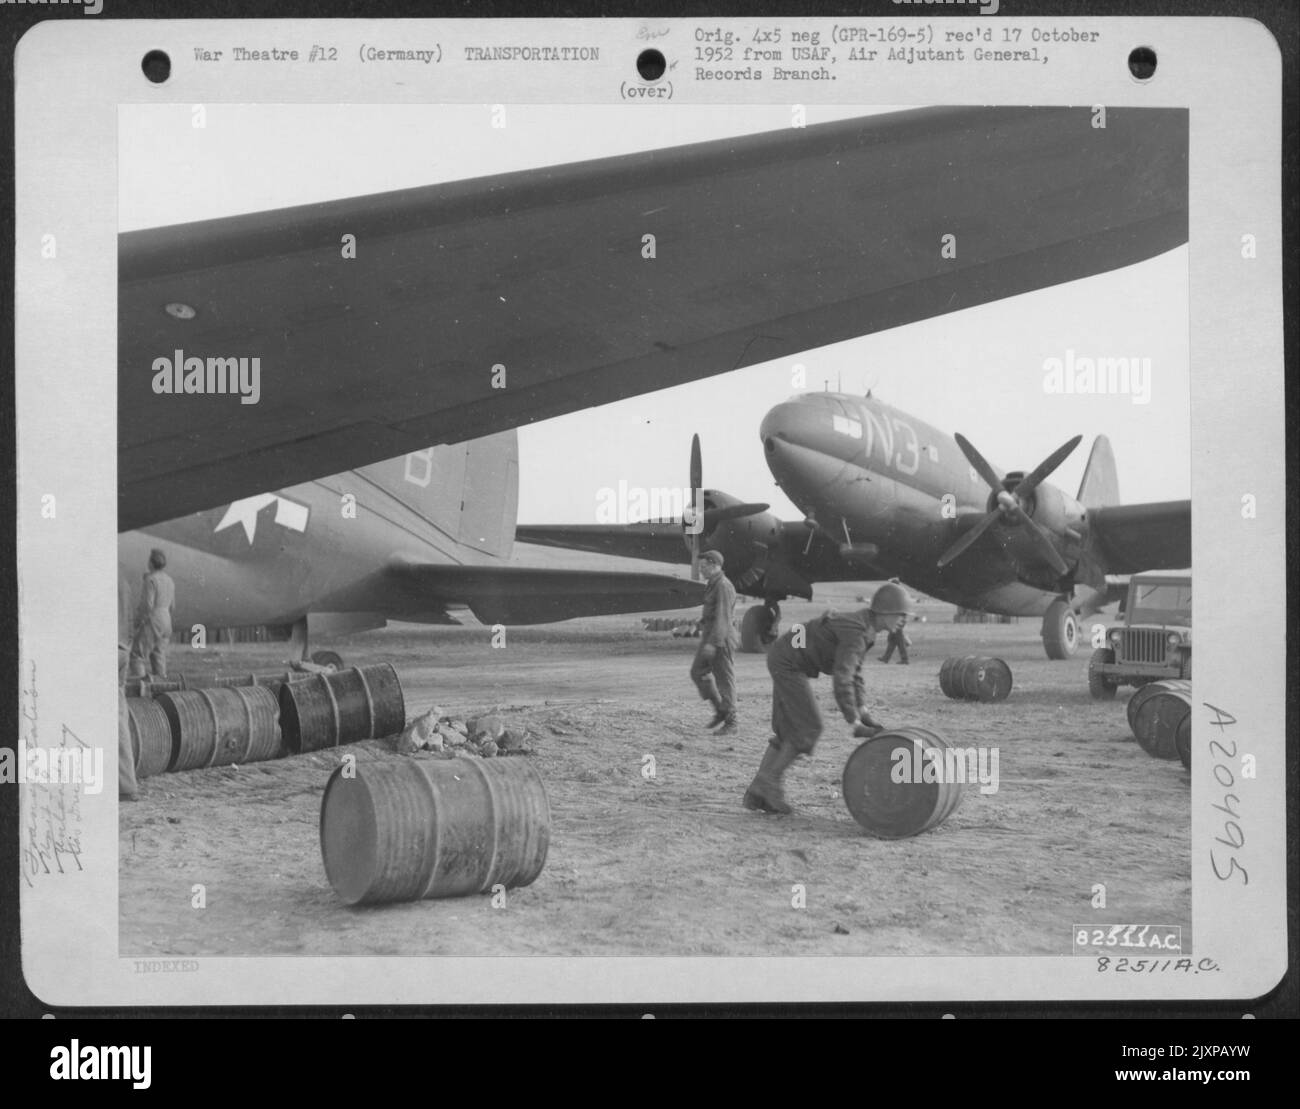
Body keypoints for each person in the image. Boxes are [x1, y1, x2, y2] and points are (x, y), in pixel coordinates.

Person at [743, 580, 914, 814]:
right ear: (884, 612)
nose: (904, 620)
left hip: (784, 656)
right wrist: (853, 720)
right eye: (901, 615)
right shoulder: (858, 632)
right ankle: (768, 783)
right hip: (788, 663)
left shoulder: (864, 627)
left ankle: (757, 792)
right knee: (809, 727)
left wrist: (863, 711)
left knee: (787, 731)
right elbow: (842, 678)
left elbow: (854, 673)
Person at [690, 549, 739, 735]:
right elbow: (713, 612)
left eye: (703, 566)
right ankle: (720, 710)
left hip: (721, 639)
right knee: (697, 672)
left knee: (725, 680)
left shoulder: (723, 586)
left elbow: (723, 618)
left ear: (714, 565)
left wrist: (714, 643)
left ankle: (732, 722)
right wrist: (701, 622)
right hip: (711, 636)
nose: (700, 570)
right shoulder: (713, 583)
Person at [128, 548, 175, 680]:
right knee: (158, 656)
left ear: (151, 563)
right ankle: (162, 686)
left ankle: (140, 687)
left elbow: (147, 605)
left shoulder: (151, 579)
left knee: (137, 655)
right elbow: (172, 606)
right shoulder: (170, 580)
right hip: (167, 620)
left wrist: (137, 622)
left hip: (155, 618)